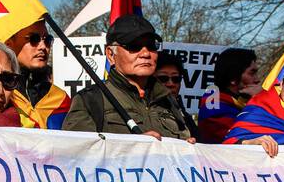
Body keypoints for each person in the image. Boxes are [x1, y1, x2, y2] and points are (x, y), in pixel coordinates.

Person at [61, 14, 192, 139]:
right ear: (111, 54)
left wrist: (189, 148)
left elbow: (185, 146)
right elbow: (75, 155)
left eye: (151, 46)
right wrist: (131, 148)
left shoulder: (169, 101)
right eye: (134, 46)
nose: (146, 53)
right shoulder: (90, 100)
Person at [5, 18, 71, 128]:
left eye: (48, 40)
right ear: (9, 44)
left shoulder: (61, 99)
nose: (43, 47)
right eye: (33, 39)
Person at [197, 47, 260, 144]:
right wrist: (259, 101)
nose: (257, 79)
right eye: (252, 73)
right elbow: (238, 139)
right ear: (233, 78)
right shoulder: (214, 108)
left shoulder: (239, 104)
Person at [154, 50, 198, 137]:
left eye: (176, 79)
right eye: (163, 78)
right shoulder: (144, 110)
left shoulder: (183, 114)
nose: (171, 84)